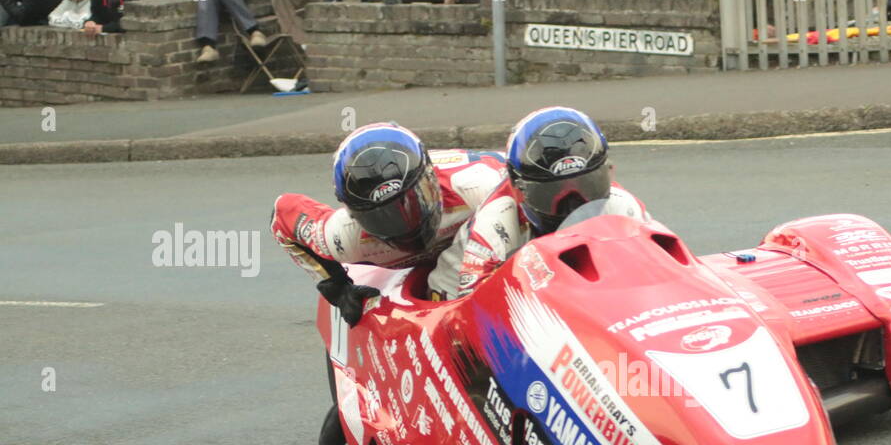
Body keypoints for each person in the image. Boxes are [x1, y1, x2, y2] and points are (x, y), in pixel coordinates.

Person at [271, 122, 508, 323]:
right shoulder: (342, 236)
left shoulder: (479, 184)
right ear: (353, 214)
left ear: (431, 179)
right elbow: (282, 214)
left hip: (481, 244)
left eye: (413, 202)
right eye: (378, 217)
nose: (402, 224)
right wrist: (335, 284)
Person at [442, 106, 648, 301]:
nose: (574, 207)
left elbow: (658, 271)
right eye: (551, 193)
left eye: (589, 185)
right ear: (518, 188)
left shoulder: (623, 206)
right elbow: (473, 308)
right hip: (450, 295)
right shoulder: (497, 222)